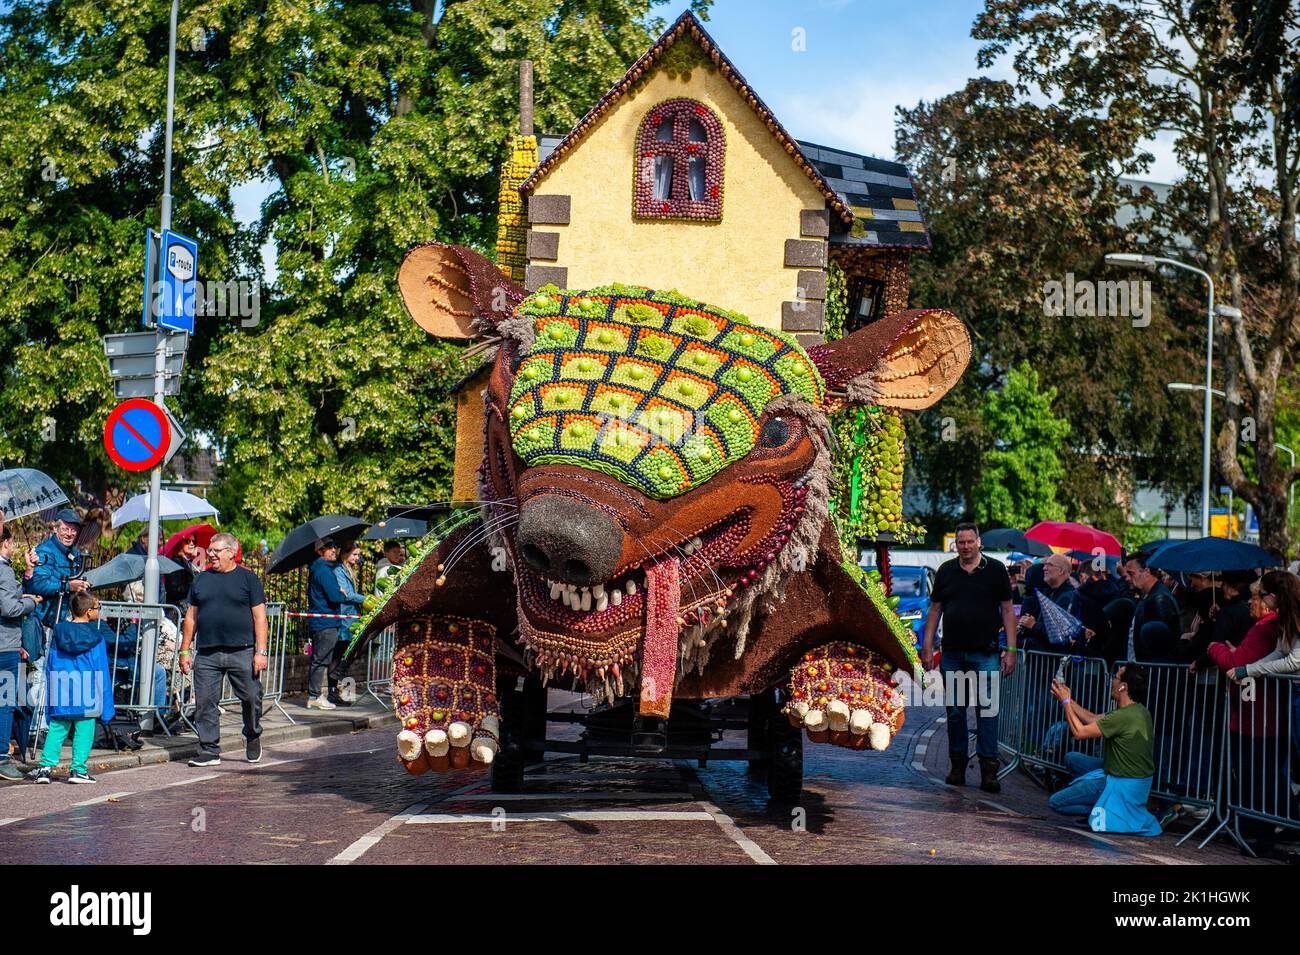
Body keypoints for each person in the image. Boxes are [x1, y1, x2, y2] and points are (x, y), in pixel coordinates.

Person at [922, 522, 1018, 793]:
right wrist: (927, 647)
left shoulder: (996, 570)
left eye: (969, 541)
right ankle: (957, 766)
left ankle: (989, 770)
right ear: (956, 545)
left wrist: (1011, 650)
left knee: (987, 712)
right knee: (955, 713)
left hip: (986, 654)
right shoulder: (946, 571)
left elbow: (1008, 611)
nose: (965, 546)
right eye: (960, 542)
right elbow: (935, 610)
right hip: (953, 654)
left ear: (979, 542)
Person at [179, 532, 268, 766]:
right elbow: (191, 617)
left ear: (231, 552)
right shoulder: (201, 579)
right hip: (207, 652)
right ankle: (209, 749)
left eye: (216, 551)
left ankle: (252, 734)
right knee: (205, 702)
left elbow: (260, 618)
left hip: (243, 651)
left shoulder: (248, 579)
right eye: (209, 551)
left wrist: (261, 652)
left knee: (251, 697)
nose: (210, 554)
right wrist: (185, 650)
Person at [1048, 663, 1161, 836]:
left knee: (1056, 802)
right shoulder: (1138, 710)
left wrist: (1065, 702)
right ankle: (1095, 797)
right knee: (1071, 758)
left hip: (1121, 783)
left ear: (1124, 686)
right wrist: (1068, 699)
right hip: (1124, 774)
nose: (1112, 681)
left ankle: (1103, 807)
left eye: (1115, 678)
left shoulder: (1123, 716)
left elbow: (1079, 732)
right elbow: (1092, 718)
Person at [27, 590, 114, 784]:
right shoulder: (96, 637)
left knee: (57, 729)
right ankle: (78, 770)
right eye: (98, 607)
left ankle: (45, 768)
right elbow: (101, 670)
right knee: (84, 730)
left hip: (62, 685)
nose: (99, 610)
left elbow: (52, 663)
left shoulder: (59, 632)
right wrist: (106, 707)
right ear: (89, 612)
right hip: (87, 690)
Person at [0, 526, 40, 780]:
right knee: (5, 704)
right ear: (5, 543)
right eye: (11, 541)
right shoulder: (2, 570)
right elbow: (8, 607)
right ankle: (2, 757)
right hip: (5, 645)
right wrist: (29, 603)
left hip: (8, 643)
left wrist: (27, 575)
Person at [27, 509, 89, 628]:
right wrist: (69, 586)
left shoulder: (75, 552)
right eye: (65, 529)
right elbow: (39, 585)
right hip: (44, 620)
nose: (69, 533)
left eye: (74, 530)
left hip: (64, 617)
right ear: (55, 529)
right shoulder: (45, 551)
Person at [306, 538, 347, 710]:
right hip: (326, 621)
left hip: (324, 620)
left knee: (321, 659)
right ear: (319, 551)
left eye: (334, 546)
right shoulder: (323, 570)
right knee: (320, 660)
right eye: (328, 547)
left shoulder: (320, 569)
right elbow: (335, 596)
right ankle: (314, 696)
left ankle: (315, 695)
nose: (333, 550)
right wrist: (342, 592)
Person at [1121, 552, 1181, 662]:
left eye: (1131, 573)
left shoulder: (1160, 597)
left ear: (1147, 572)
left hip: (1150, 671)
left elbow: (1163, 641)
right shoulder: (1148, 596)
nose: (1127, 578)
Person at [331, 541, 364, 705]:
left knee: (346, 654)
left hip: (350, 617)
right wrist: (367, 599)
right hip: (343, 617)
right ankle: (332, 691)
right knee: (338, 655)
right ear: (345, 553)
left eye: (358, 554)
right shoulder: (338, 570)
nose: (357, 558)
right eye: (354, 554)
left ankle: (338, 690)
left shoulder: (349, 570)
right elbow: (348, 595)